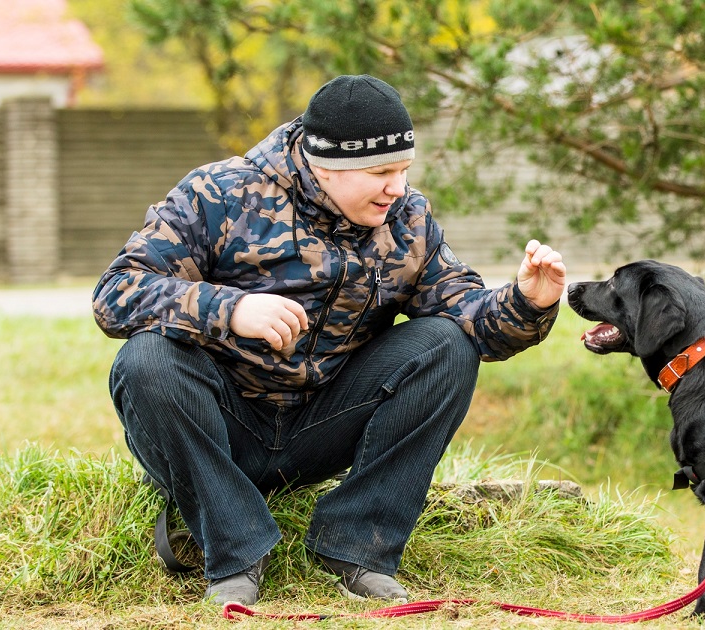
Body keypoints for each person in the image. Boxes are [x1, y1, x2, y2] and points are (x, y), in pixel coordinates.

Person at [92, 74, 566, 607]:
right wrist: (231, 308)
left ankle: (356, 546)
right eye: (382, 172)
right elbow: (116, 294)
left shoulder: (407, 218)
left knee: (445, 345)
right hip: (221, 427)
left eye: (404, 170)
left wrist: (529, 301)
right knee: (145, 360)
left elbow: (471, 321)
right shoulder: (217, 194)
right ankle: (236, 552)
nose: (398, 188)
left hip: (323, 425)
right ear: (325, 167)